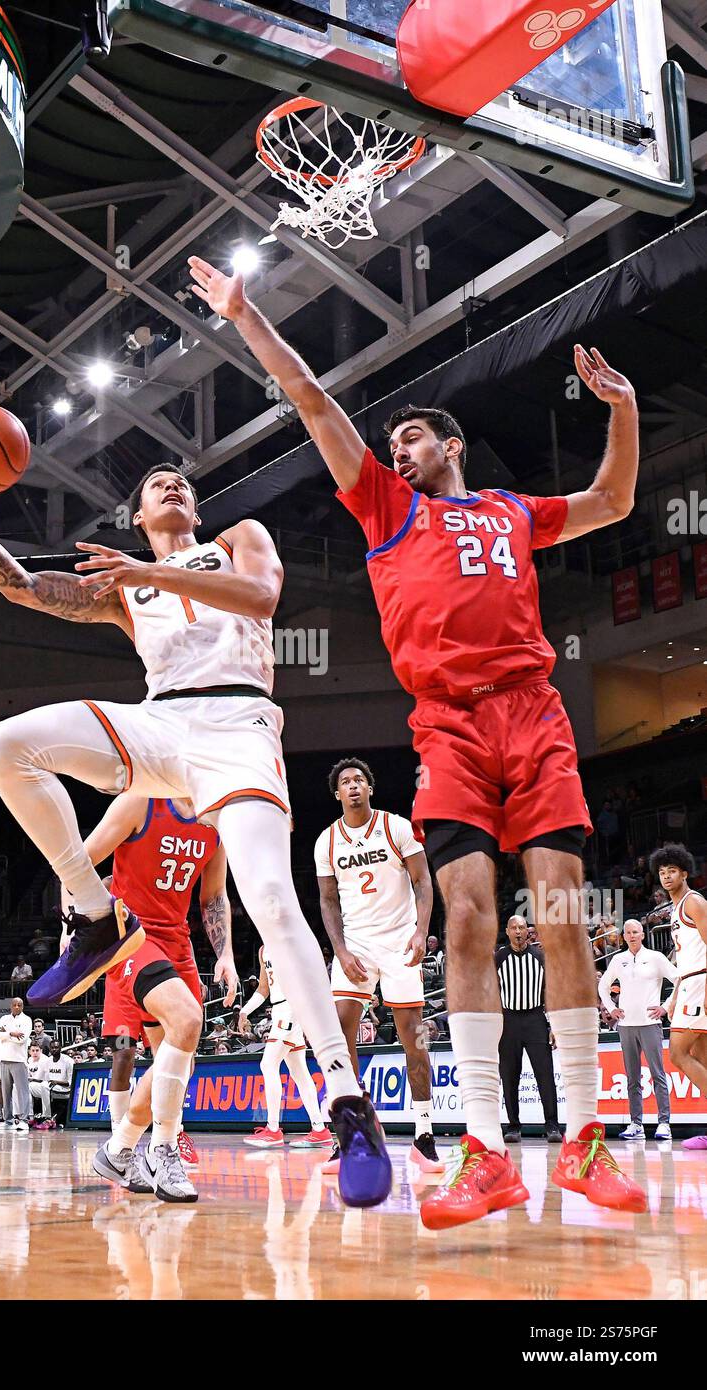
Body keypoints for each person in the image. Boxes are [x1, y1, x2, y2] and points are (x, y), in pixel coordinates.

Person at [189, 253, 647, 1225]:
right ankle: (483, 1149)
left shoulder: (510, 511)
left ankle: (581, 1139)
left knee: (559, 914)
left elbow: (610, 502)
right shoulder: (385, 507)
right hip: (446, 725)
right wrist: (242, 314)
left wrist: (619, 410)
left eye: (410, 438)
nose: (394, 451)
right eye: (389, 441)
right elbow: (311, 401)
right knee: (472, 919)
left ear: (450, 446)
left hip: (531, 713)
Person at [0, 416, 391, 1209]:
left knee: (274, 905)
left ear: (194, 511)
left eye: (182, 482)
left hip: (240, 727)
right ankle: (92, 909)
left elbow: (261, 595)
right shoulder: (126, 585)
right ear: (138, 515)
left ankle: (349, 1109)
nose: (171, 485)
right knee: (6, 743)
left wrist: (155, 570)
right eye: (154, 486)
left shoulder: (237, 538)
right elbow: (26, 588)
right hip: (163, 724)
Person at [72, 790, 238, 1195]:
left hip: (177, 943)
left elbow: (214, 897)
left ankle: (120, 1148)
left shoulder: (216, 823)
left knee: (179, 1062)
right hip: (131, 937)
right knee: (177, 1025)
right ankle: (162, 1150)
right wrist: (73, 926)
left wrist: (226, 953)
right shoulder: (141, 803)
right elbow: (77, 862)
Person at [314, 757, 442, 1174]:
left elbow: (424, 882)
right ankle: (350, 1132)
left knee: (415, 1038)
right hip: (356, 947)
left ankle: (423, 1135)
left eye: (359, 780)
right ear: (337, 794)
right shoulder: (326, 841)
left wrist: (422, 931)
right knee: (339, 1034)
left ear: (370, 788)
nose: (353, 786)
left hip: (401, 943)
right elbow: (328, 901)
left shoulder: (396, 827)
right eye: (345, 782)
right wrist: (340, 950)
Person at [238, 945, 332, 1150]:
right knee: (299, 1073)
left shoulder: (287, 939)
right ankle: (319, 1130)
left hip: (291, 1007)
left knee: (268, 1064)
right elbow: (264, 989)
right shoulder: (263, 949)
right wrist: (244, 1012)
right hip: (280, 1008)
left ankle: (273, 1129)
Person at [598, 918, 677, 1141]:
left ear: (643, 934)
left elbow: (678, 979)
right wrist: (612, 1008)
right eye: (628, 933)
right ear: (624, 936)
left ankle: (664, 1123)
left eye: (636, 932)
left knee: (658, 1075)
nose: (632, 936)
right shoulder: (618, 959)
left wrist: (665, 1007)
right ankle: (636, 1124)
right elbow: (603, 986)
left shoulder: (656, 958)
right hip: (626, 1026)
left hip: (650, 1024)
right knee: (632, 1078)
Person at [653, 845, 707, 1151]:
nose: (666, 876)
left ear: (684, 873)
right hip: (689, 983)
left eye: (672, 871)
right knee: (702, 1059)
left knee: (677, 1054)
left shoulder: (694, 902)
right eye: (662, 872)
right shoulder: (676, 909)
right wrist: (674, 996)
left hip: (701, 983)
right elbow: (687, 959)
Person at [495, 916, 561, 1144]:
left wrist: (553, 1024)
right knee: (509, 1076)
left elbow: (551, 993)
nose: (518, 931)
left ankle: (552, 1125)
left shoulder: (540, 956)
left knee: (545, 1075)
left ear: (528, 931)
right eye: (513, 927)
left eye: (522, 927)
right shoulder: (499, 957)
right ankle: (513, 1126)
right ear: (507, 931)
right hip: (508, 1021)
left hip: (535, 1019)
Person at [0, 997, 33, 1132]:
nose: (17, 1007)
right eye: (14, 1005)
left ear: (22, 1007)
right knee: (6, 1093)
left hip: (19, 1060)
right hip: (4, 1059)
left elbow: (22, 1040)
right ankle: (8, 1120)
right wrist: (11, 1033)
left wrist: (5, 1036)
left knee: (22, 1091)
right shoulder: (4, 1019)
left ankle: (23, 1120)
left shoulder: (27, 1020)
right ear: (11, 1006)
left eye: (19, 1005)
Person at [27, 1044, 53, 1129]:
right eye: (33, 1051)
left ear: (41, 1051)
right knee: (24, 1087)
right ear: (29, 1052)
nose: (35, 1053)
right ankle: (30, 1117)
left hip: (46, 1084)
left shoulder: (45, 1060)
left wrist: (28, 1079)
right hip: (34, 1084)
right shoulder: (29, 1060)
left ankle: (47, 1117)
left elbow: (38, 1078)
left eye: (37, 1050)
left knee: (37, 1086)